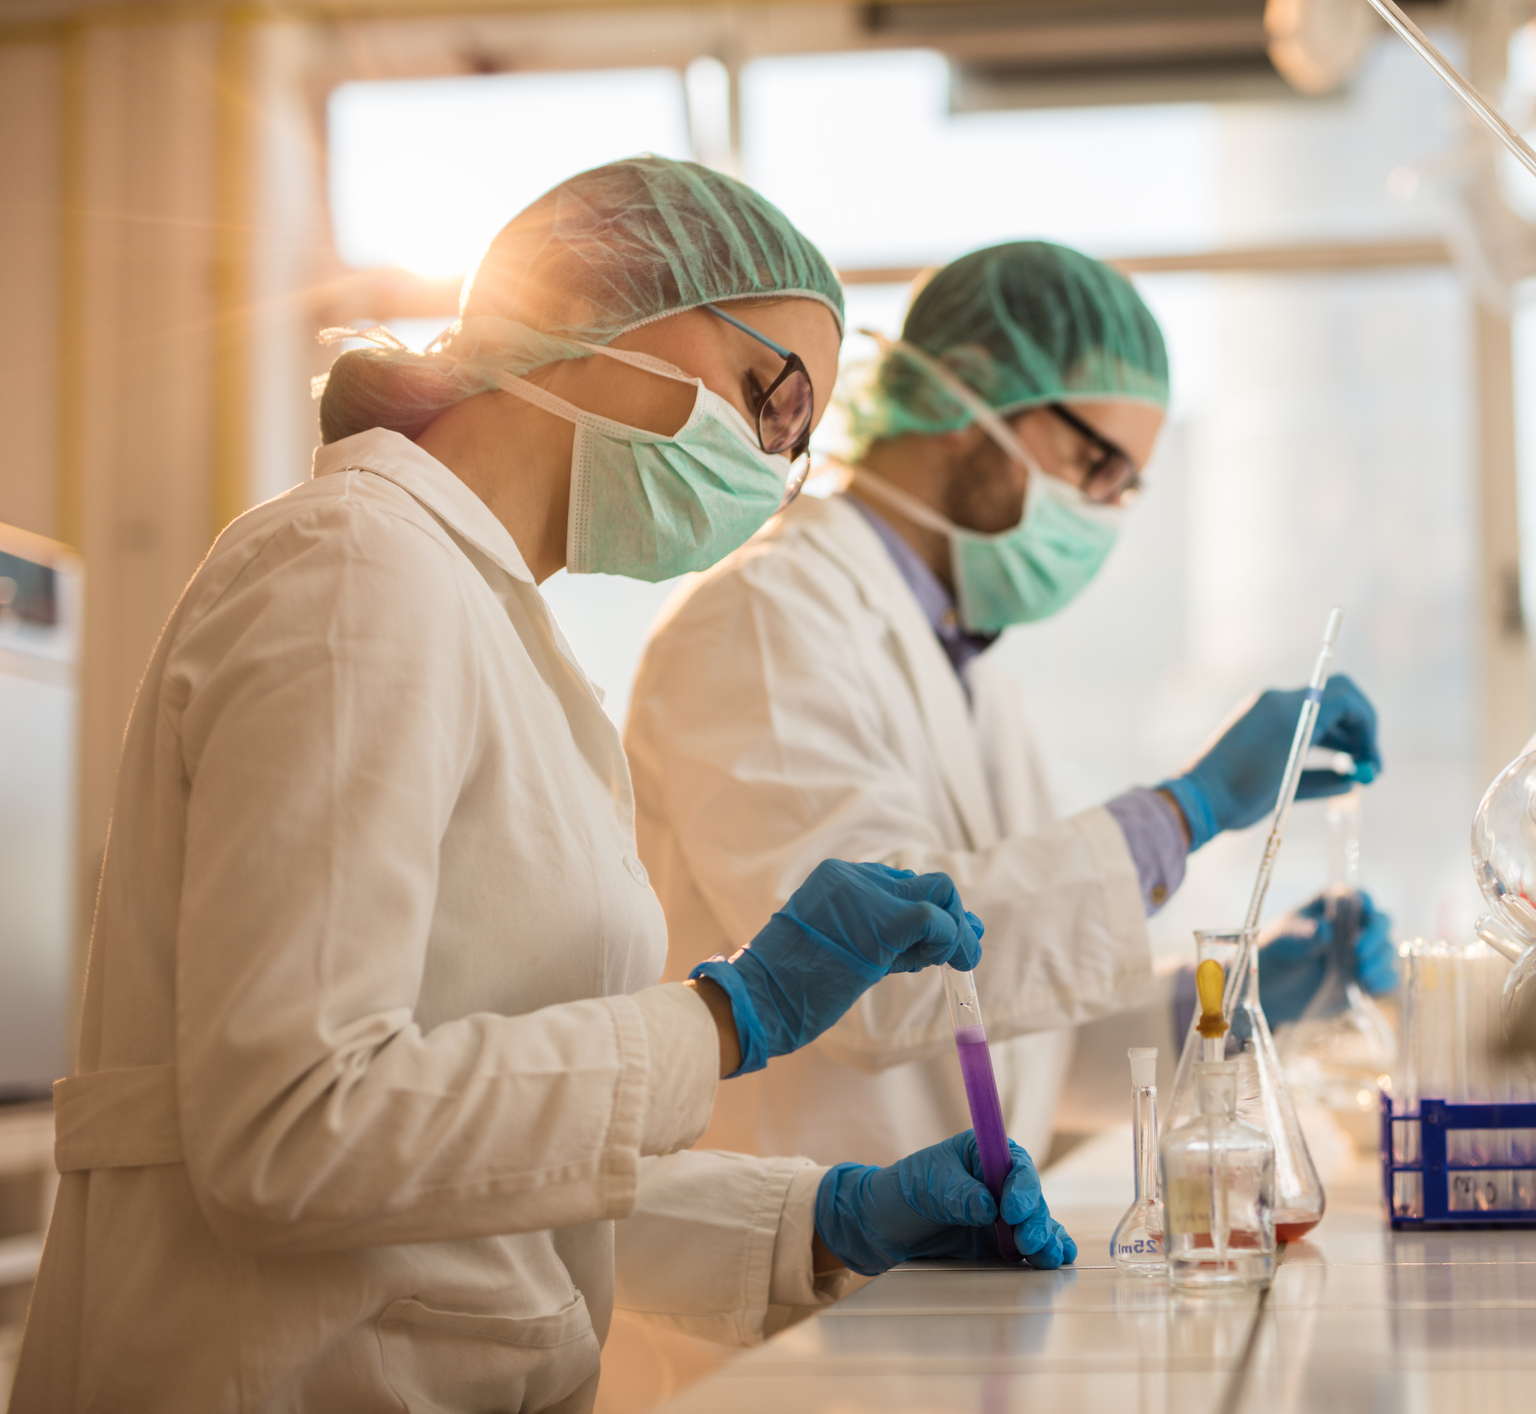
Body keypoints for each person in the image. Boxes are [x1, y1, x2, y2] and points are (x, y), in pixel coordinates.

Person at [12, 159, 1073, 1414]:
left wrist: (823, 1220)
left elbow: (481, 1154)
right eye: (770, 397)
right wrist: (727, 1019)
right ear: (591, 306)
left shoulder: (493, 621)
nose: (773, 464)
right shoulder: (355, 568)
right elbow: (297, 1132)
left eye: (796, 446)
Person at [623, 240, 1398, 1170]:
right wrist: (1181, 815)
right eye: (1096, 465)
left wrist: (1238, 998)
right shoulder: (763, 617)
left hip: (928, 1269)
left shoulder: (964, 665)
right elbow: (869, 985)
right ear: (965, 397)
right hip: (797, 1269)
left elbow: (1025, 1048)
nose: (1105, 511)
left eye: (1127, 487)